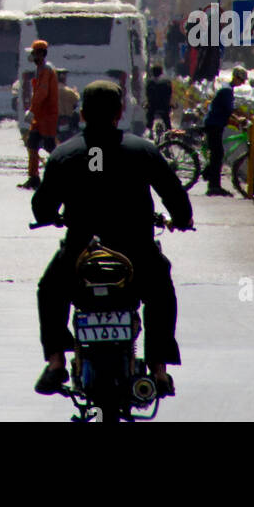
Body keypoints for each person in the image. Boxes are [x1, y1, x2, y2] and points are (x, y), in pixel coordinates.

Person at [31, 79, 194, 399]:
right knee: (161, 292)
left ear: (82, 115)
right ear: (120, 113)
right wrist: (182, 220)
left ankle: (54, 363)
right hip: (136, 256)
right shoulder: (143, 151)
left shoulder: (65, 154)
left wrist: (53, 216)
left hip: (81, 257)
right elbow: (175, 197)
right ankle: (159, 370)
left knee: (49, 291)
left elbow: (42, 208)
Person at [19, 40, 58, 190]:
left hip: (47, 116)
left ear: (41, 54)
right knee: (32, 144)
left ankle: (62, 175)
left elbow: (42, 93)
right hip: (40, 116)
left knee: (50, 147)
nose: (33, 57)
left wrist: (33, 109)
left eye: (34, 54)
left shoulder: (47, 70)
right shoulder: (41, 69)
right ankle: (34, 177)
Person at [204, 67, 248, 196]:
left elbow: (231, 109)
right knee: (217, 154)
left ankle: (211, 178)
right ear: (235, 77)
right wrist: (238, 120)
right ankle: (214, 186)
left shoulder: (227, 89)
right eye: (241, 79)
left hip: (216, 123)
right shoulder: (227, 91)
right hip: (214, 124)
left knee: (217, 154)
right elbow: (229, 111)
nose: (242, 82)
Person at [145, 63, 172, 134]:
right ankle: (169, 131)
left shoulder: (150, 82)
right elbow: (169, 94)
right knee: (167, 120)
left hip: (153, 107)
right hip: (164, 106)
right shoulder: (167, 82)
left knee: (149, 116)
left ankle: (149, 130)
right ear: (161, 72)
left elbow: (148, 94)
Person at [56, 70, 80, 142]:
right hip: (68, 118)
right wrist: (75, 92)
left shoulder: (50, 91)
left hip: (54, 119)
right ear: (64, 79)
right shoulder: (69, 91)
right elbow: (75, 101)